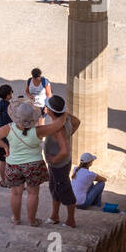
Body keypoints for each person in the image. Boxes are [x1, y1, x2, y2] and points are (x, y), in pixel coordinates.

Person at [0, 100, 69, 227]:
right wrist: (64, 111)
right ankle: (32, 220)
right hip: (33, 165)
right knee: (33, 193)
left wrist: (5, 147)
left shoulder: (9, 128)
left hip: (13, 164)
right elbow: (58, 125)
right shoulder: (38, 131)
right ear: (32, 118)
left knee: (15, 193)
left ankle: (16, 219)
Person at [42, 94, 81, 228]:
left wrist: (54, 159)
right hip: (58, 165)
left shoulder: (57, 129)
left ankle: (71, 221)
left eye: (47, 106)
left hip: (59, 165)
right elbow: (77, 122)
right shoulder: (66, 119)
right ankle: (54, 216)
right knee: (54, 188)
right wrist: (68, 135)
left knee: (65, 191)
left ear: (51, 111)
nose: (45, 108)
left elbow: (64, 151)